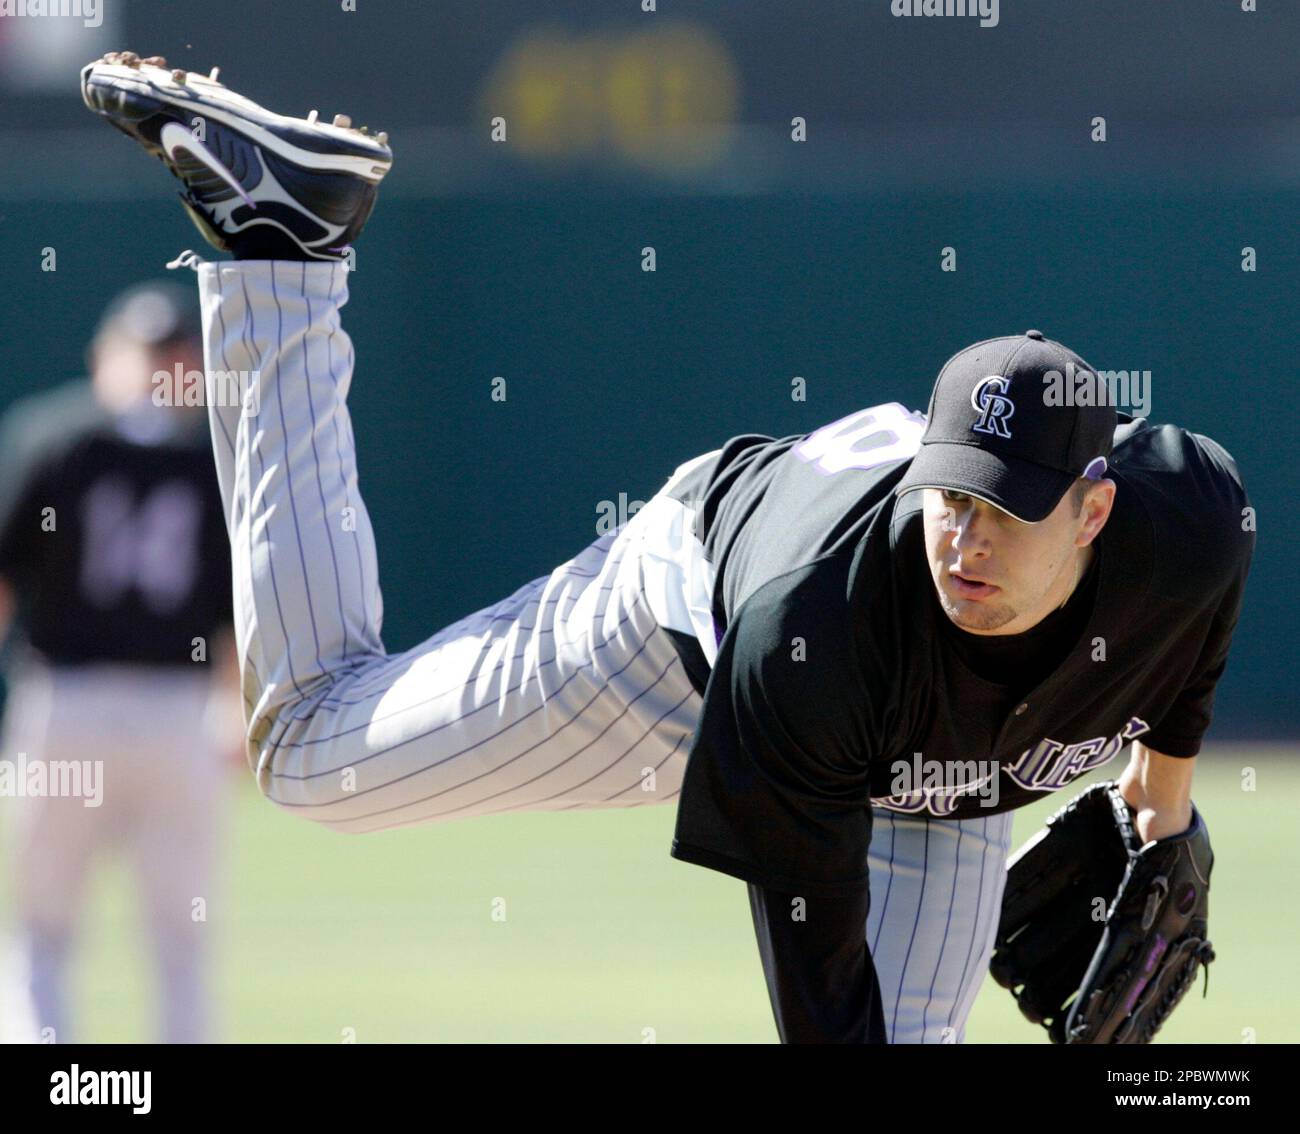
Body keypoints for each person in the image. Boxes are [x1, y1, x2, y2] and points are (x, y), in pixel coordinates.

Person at [81, 52, 1255, 1043]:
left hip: (930, 771)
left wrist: (1160, 809)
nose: (967, 538)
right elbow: (819, 979)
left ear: (1095, 512)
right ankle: (281, 253)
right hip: (674, 651)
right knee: (304, 753)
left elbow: (1195, 628)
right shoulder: (810, 629)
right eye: (952, 499)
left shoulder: (1191, 528)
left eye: (1007, 509)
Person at [0, 279, 238, 1043]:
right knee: (182, 935)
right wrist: (235, 707)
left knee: (43, 927)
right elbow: (240, 611)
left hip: (68, 703)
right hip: (178, 714)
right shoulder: (217, 458)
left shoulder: (54, 435)